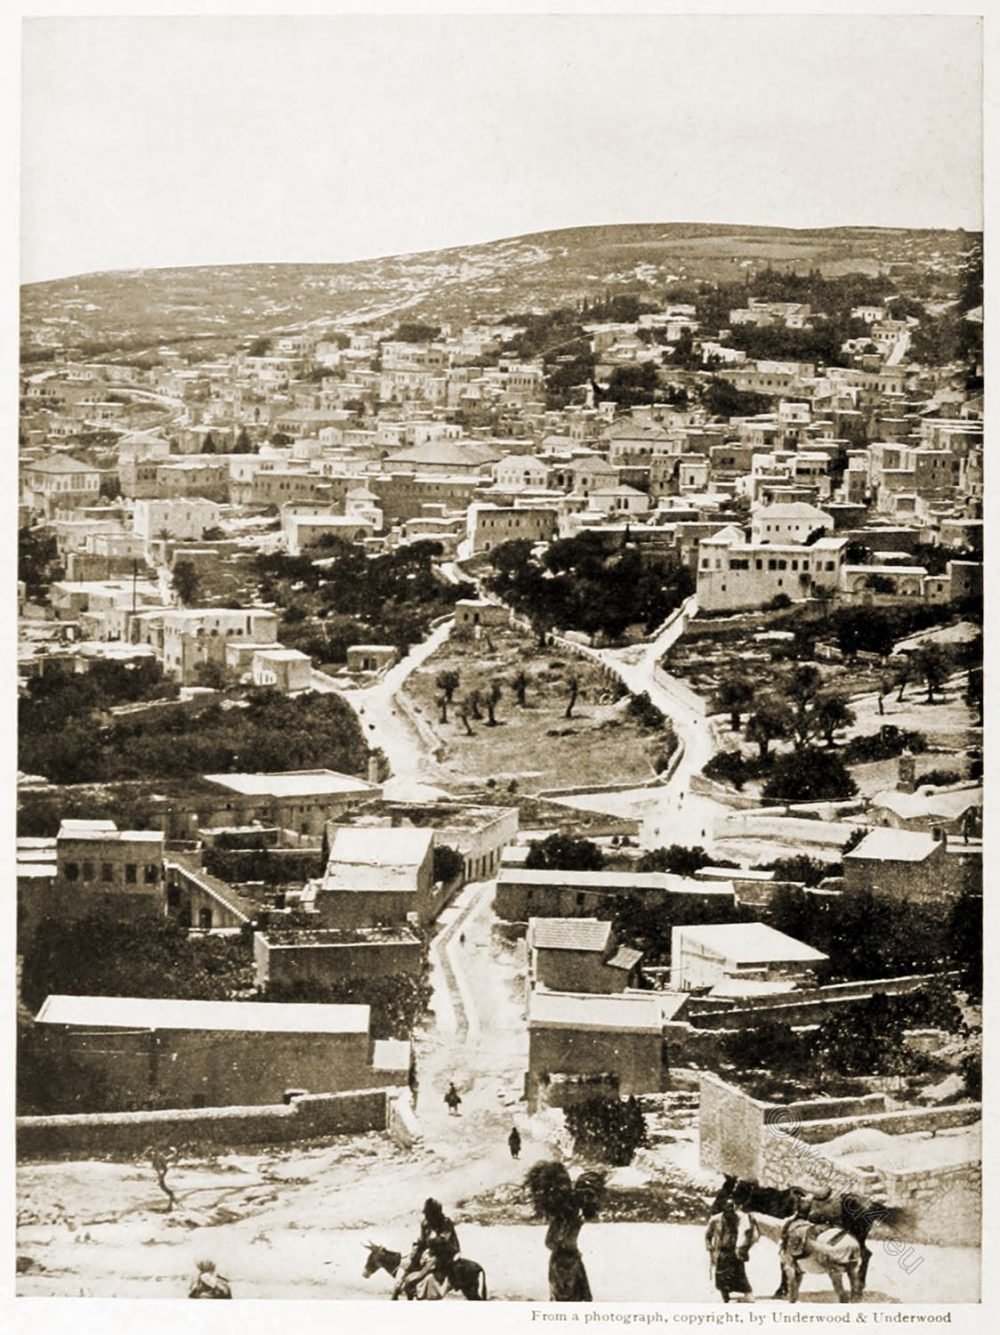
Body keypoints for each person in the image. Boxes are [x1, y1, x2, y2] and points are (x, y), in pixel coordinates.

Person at [526, 1162, 604, 1302]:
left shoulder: (564, 1217)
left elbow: (552, 1241)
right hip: (572, 1259)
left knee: (564, 1300)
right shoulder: (575, 1214)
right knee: (579, 1299)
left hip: (563, 1262)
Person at [392, 1198, 460, 1300]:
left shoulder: (446, 1223)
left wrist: (430, 1242)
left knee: (427, 1268)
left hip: (446, 1253)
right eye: (426, 1214)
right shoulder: (425, 1224)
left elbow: (443, 1240)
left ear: (435, 1214)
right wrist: (416, 1250)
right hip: (431, 1252)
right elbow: (422, 1241)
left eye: (428, 1214)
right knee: (412, 1262)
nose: (427, 1216)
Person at [705, 1199, 759, 1302]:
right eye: (728, 1206)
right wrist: (709, 1247)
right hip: (721, 1251)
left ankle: (748, 1294)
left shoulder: (739, 1219)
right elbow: (708, 1235)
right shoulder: (715, 1219)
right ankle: (725, 1296)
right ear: (723, 1207)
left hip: (734, 1251)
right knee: (721, 1275)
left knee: (740, 1273)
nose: (730, 1209)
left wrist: (743, 1247)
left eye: (732, 1206)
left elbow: (746, 1233)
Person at [145, 1145, 178, 1212]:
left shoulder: (158, 1157)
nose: (152, 1153)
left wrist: (161, 1176)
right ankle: (172, 1204)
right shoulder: (156, 1157)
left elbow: (164, 1166)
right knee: (166, 1190)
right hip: (161, 1174)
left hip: (163, 1174)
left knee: (167, 1190)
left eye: (153, 1151)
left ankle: (172, 1205)